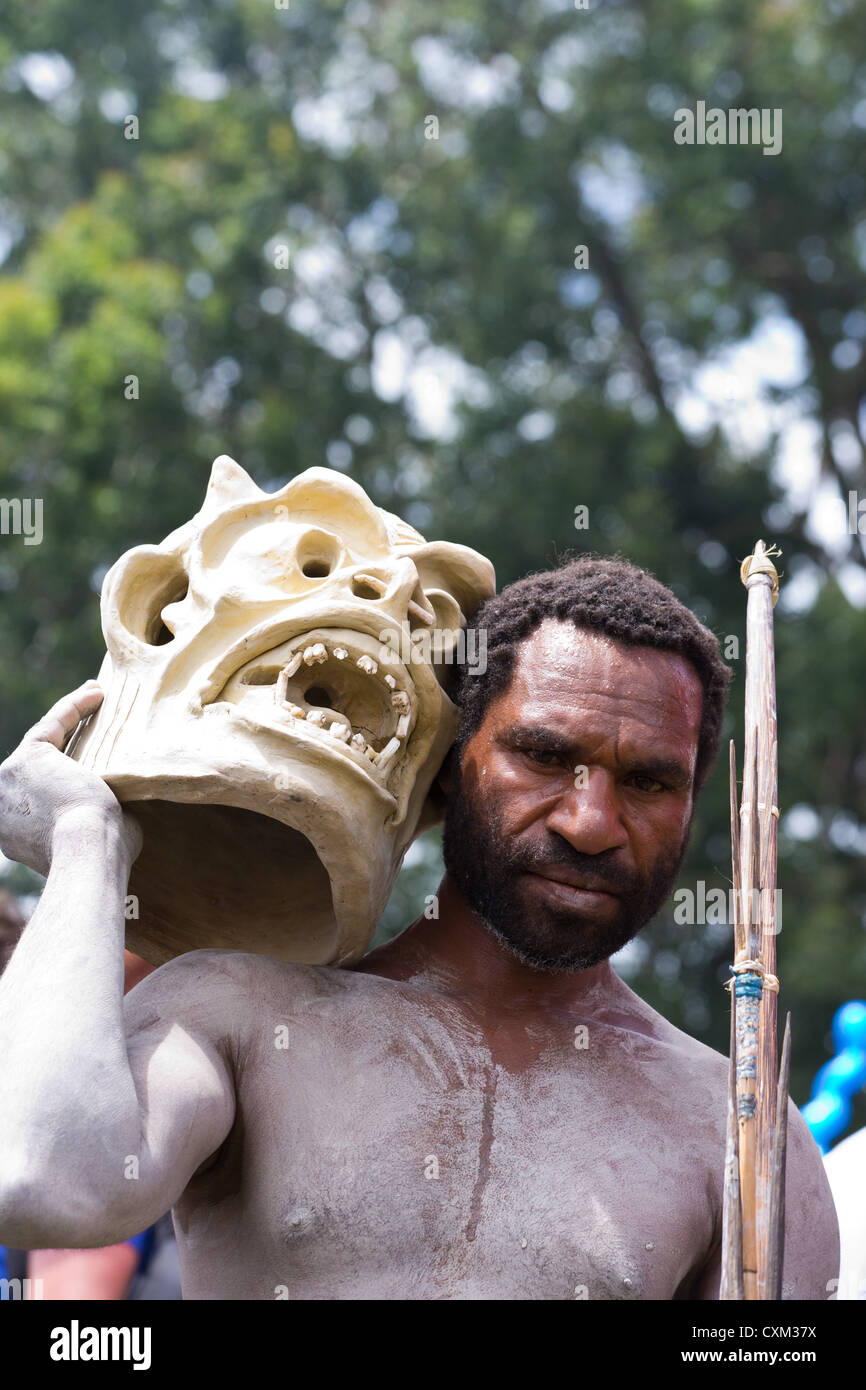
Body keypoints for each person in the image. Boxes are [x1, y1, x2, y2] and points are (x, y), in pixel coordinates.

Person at [0, 556, 838, 1299]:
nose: (591, 822)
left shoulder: (737, 1131)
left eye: (650, 781)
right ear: (448, 769)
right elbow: (36, 1180)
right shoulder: (240, 1020)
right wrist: (86, 842)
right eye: (545, 757)